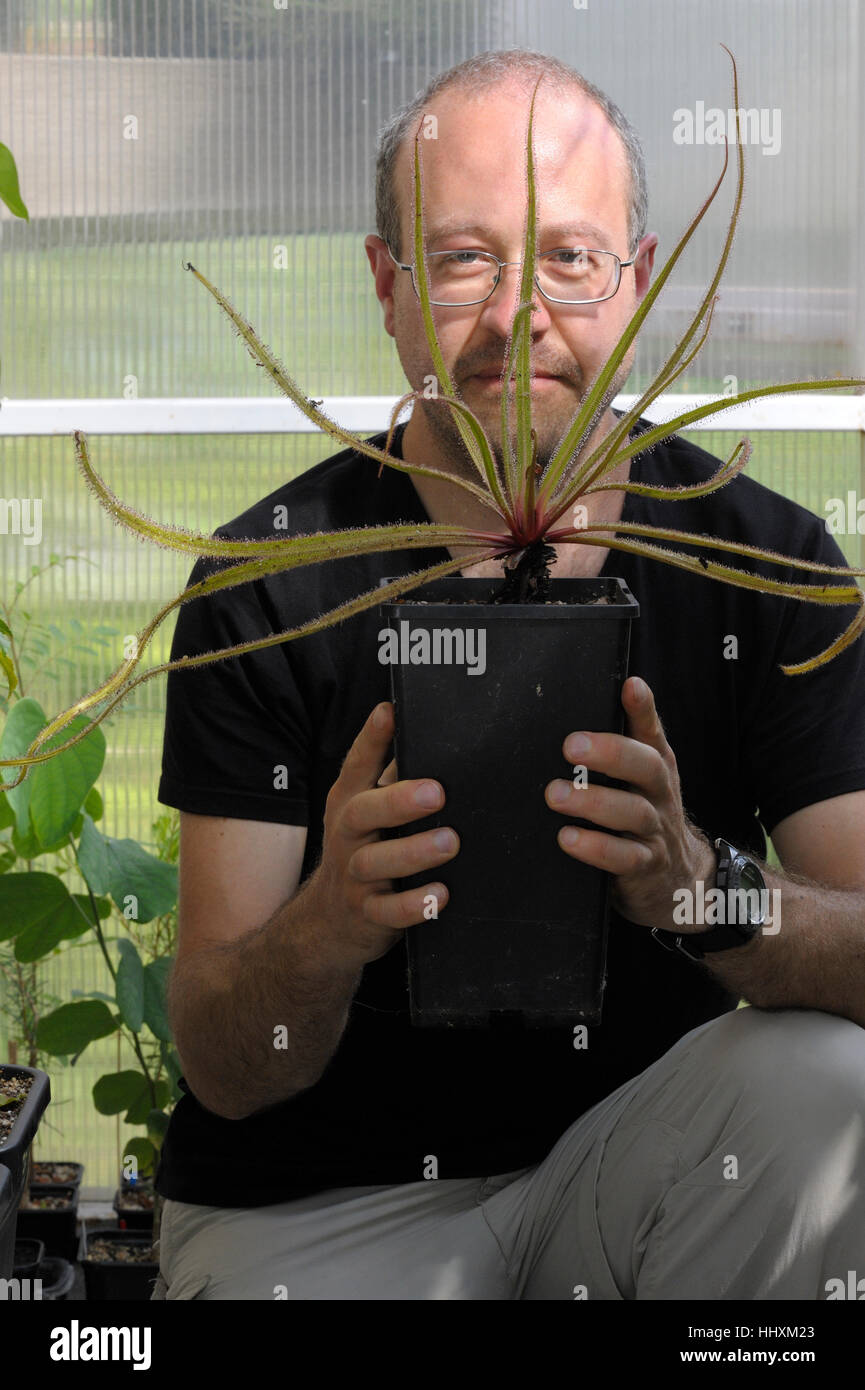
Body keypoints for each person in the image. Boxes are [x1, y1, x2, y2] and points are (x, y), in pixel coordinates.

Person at [150, 49, 865, 1301]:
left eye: (571, 258)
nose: (516, 311)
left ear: (639, 285)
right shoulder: (269, 582)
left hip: (636, 1183)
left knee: (826, 1084)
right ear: (388, 286)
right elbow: (224, 1056)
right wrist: (327, 925)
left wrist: (701, 888)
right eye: (464, 258)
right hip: (325, 1212)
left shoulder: (766, 563)